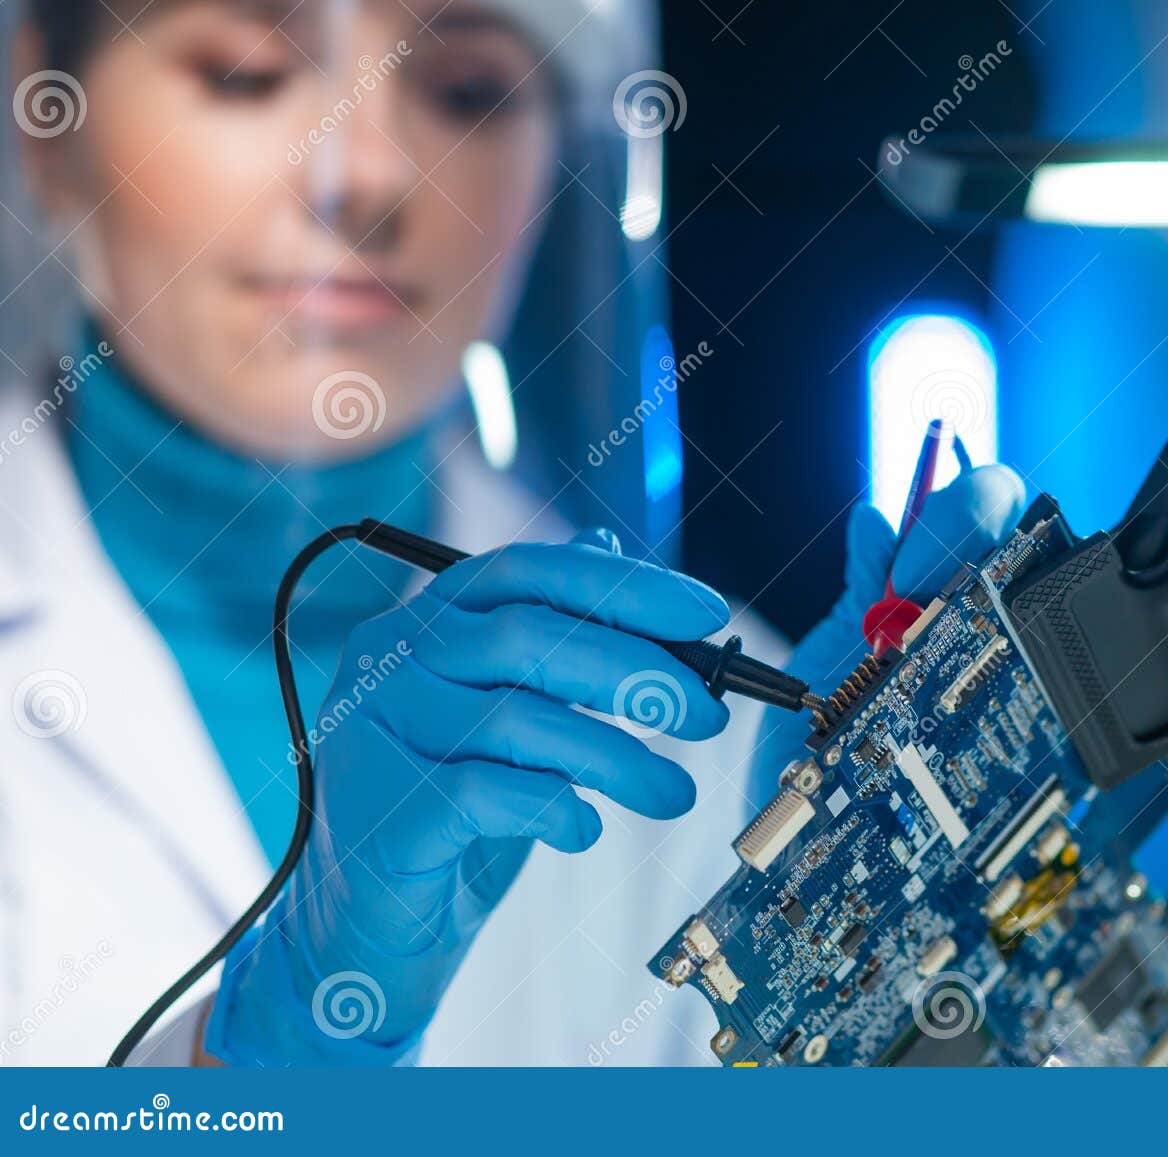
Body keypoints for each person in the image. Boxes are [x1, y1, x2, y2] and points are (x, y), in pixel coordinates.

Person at [0, 0, 1026, 1066]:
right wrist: (274, 1060)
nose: (363, 175)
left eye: (468, 92)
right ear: (46, 116)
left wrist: (910, 975)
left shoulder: (716, 736)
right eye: (244, 72)